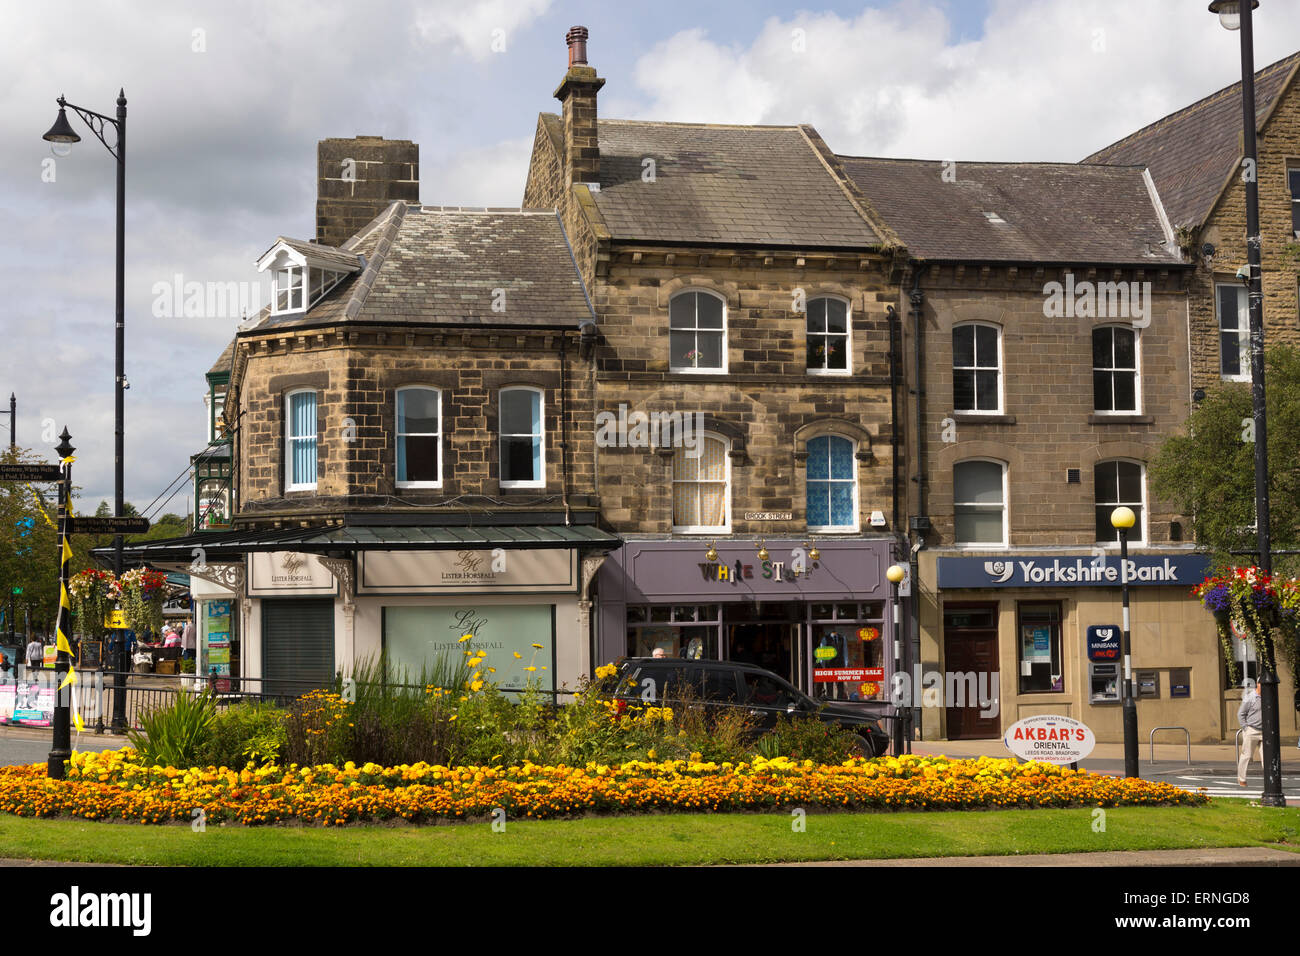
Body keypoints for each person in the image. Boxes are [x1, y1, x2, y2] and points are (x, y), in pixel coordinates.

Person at [1237, 680, 1263, 786]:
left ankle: (1269, 780)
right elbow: (1240, 714)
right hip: (1251, 730)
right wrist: (1246, 728)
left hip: (1265, 731)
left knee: (1267, 757)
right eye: (1262, 684)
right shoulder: (1250, 697)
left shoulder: (1268, 697)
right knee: (1246, 756)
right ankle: (1241, 779)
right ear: (1258, 684)